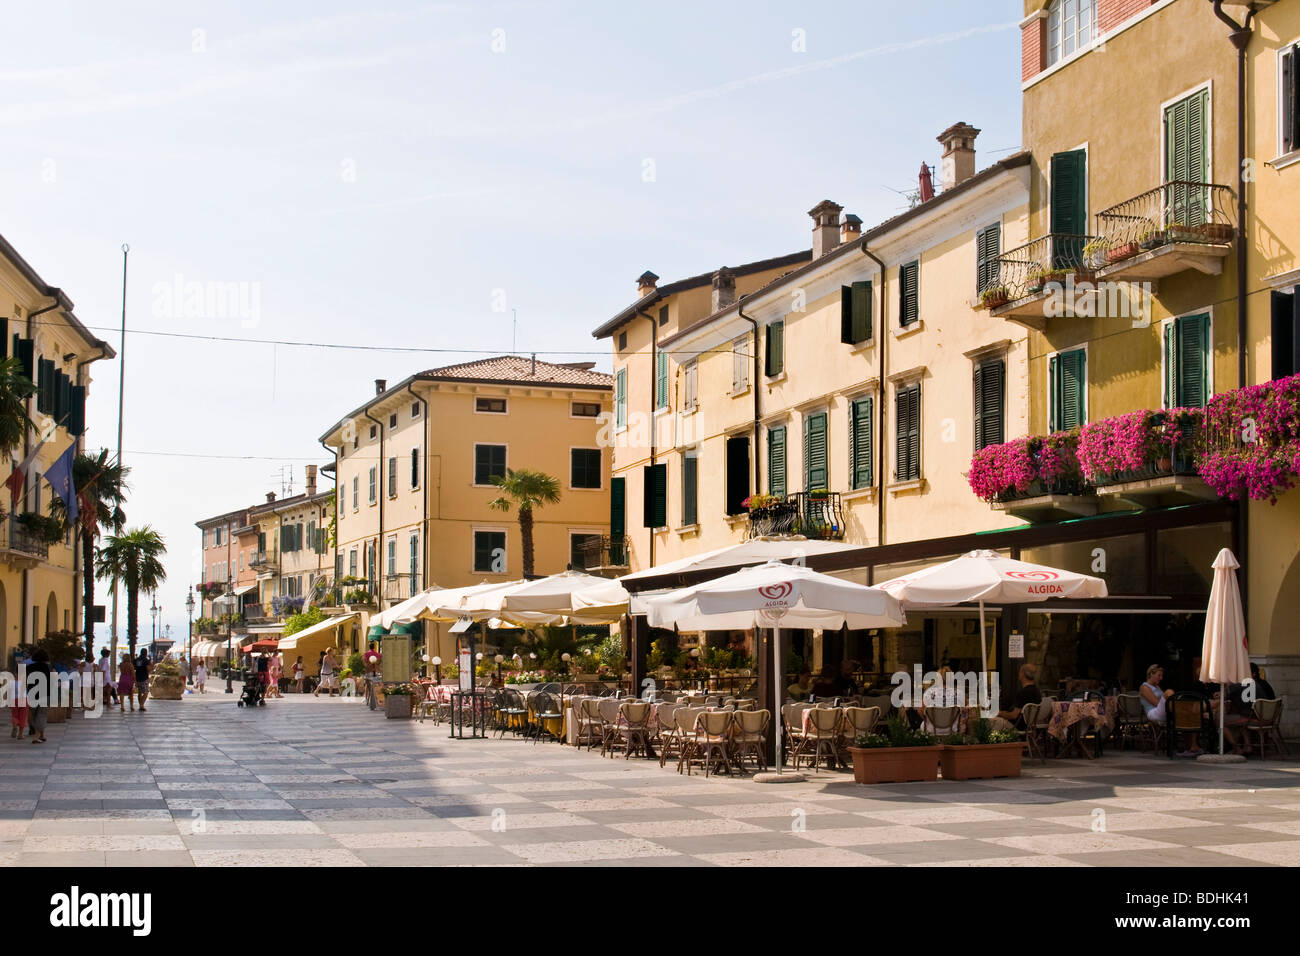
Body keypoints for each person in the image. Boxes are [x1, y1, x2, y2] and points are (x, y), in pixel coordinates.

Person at [993, 664, 1043, 731]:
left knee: (990, 721)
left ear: (1022, 674)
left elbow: (1013, 715)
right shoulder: (1037, 691)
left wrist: (1000, 713)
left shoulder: (1023, 693)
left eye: (1020, 672)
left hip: (1018, 726)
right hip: (1030, 726)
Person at [26, 648, 51, 744]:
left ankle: (42, 735)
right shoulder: (48, 667)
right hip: (45, 693)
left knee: (33, 714)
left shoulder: (30, 667)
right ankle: (36, 737)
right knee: (42, 714)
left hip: (32, 693)